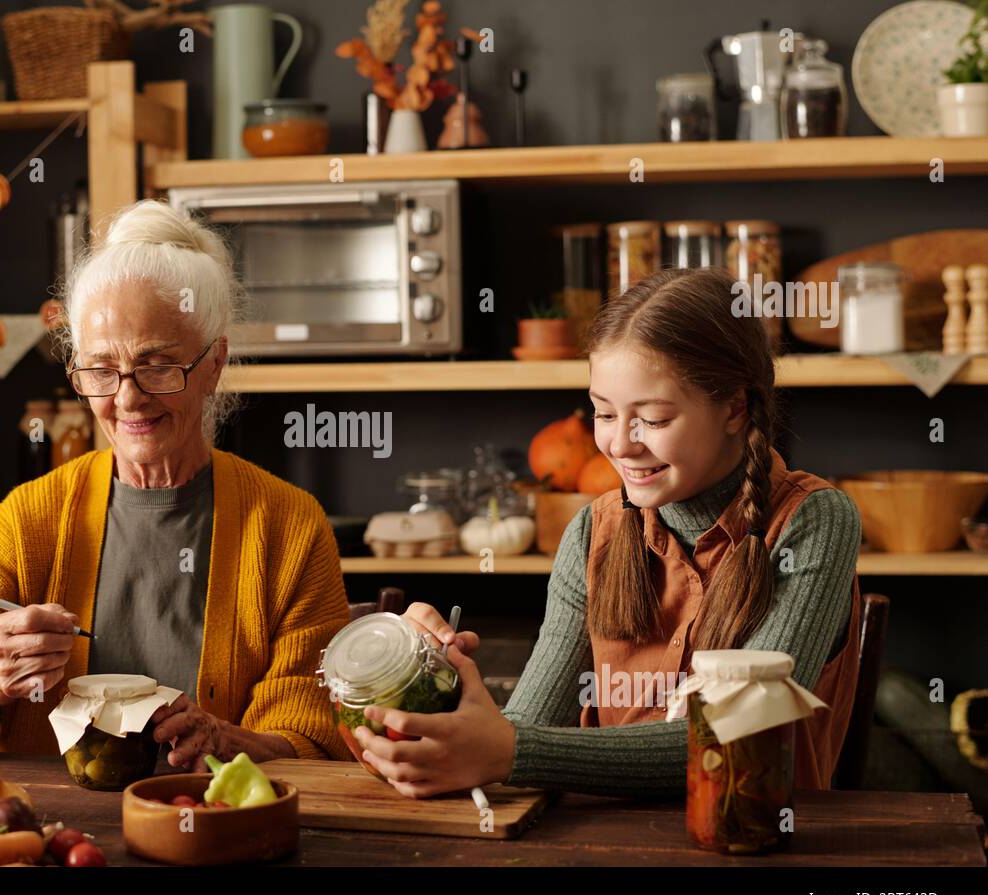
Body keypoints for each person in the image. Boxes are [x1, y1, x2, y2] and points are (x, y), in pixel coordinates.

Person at [354, 268, 863, 797]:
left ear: (735, 407)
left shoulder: (814, 522)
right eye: (603, 413)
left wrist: (509, 750)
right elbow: (528, 722)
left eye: (654, 419)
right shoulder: (591, 531)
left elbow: (735, 741)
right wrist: (435, 684)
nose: (620, 444)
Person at [0, 200, 351, 767]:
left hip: (223, 831)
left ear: (214, 363)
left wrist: (223, 741)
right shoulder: (33, 518)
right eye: (99, 369)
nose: (126, 397)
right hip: (56, 841)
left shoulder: (288, 526)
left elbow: (311, 743)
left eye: (157, 364)